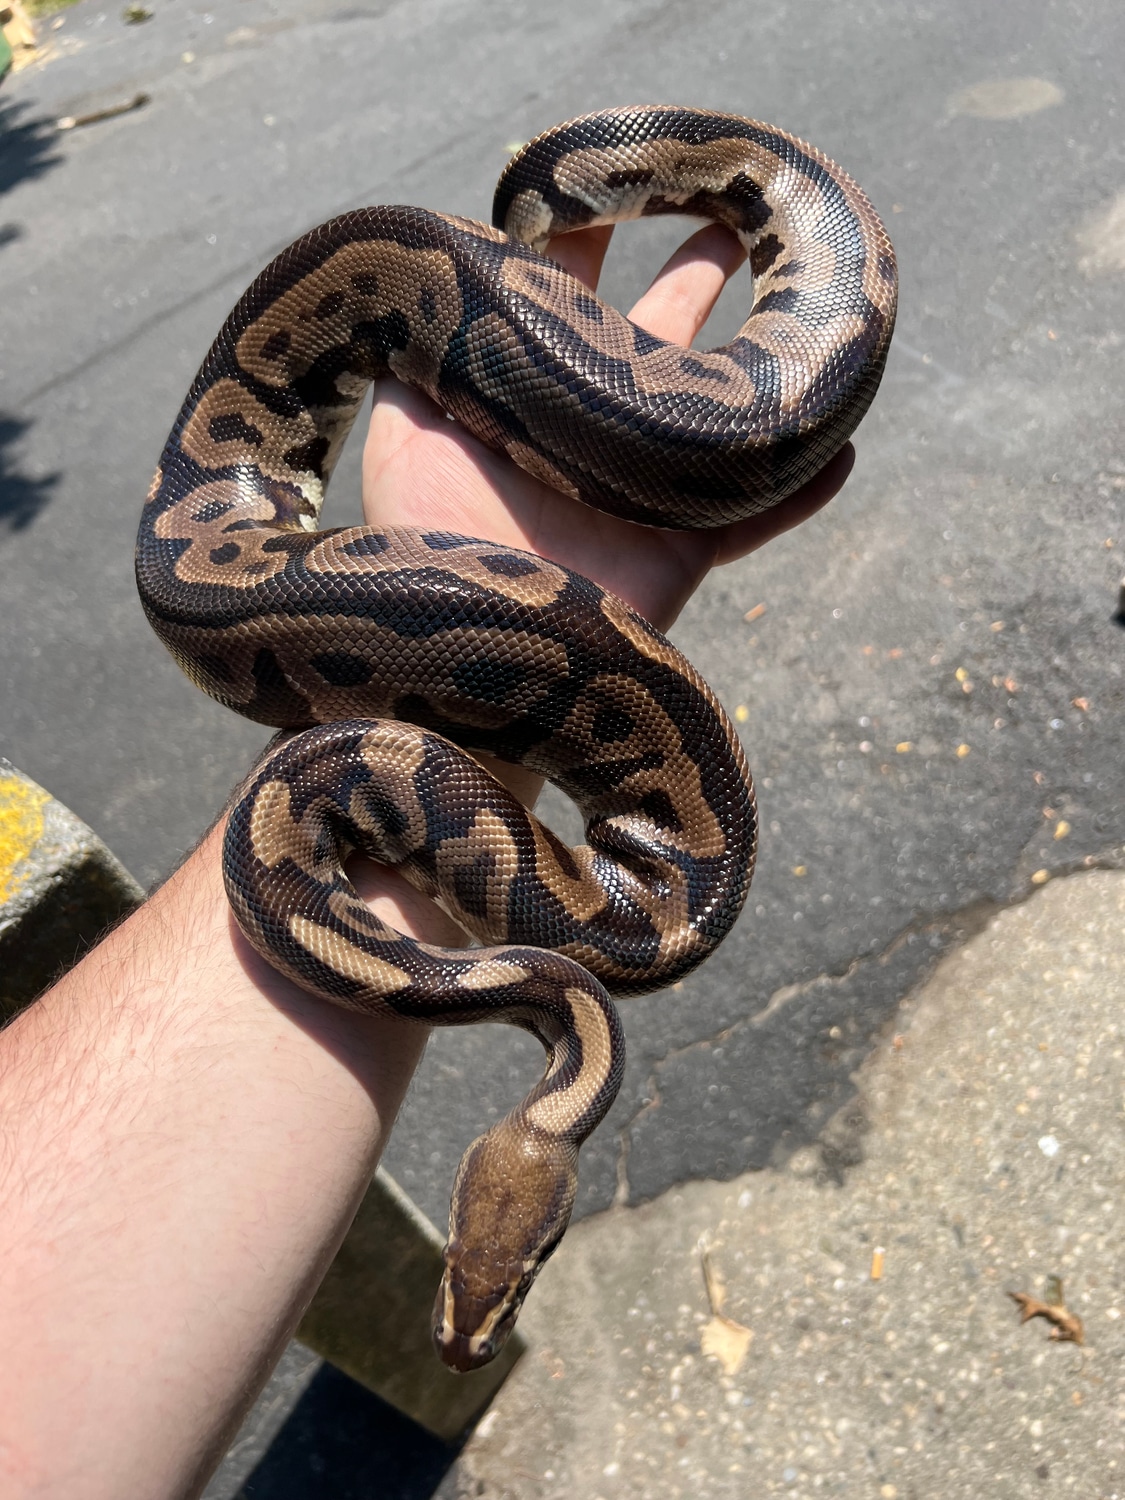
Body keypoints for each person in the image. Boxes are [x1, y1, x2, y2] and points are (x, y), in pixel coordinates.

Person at [0, 222, 853, 1500]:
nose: (467, 1317)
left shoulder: (582, 972)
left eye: (477, 1271)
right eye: (493, 1268)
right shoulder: (629, 938)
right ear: (524, 1206)